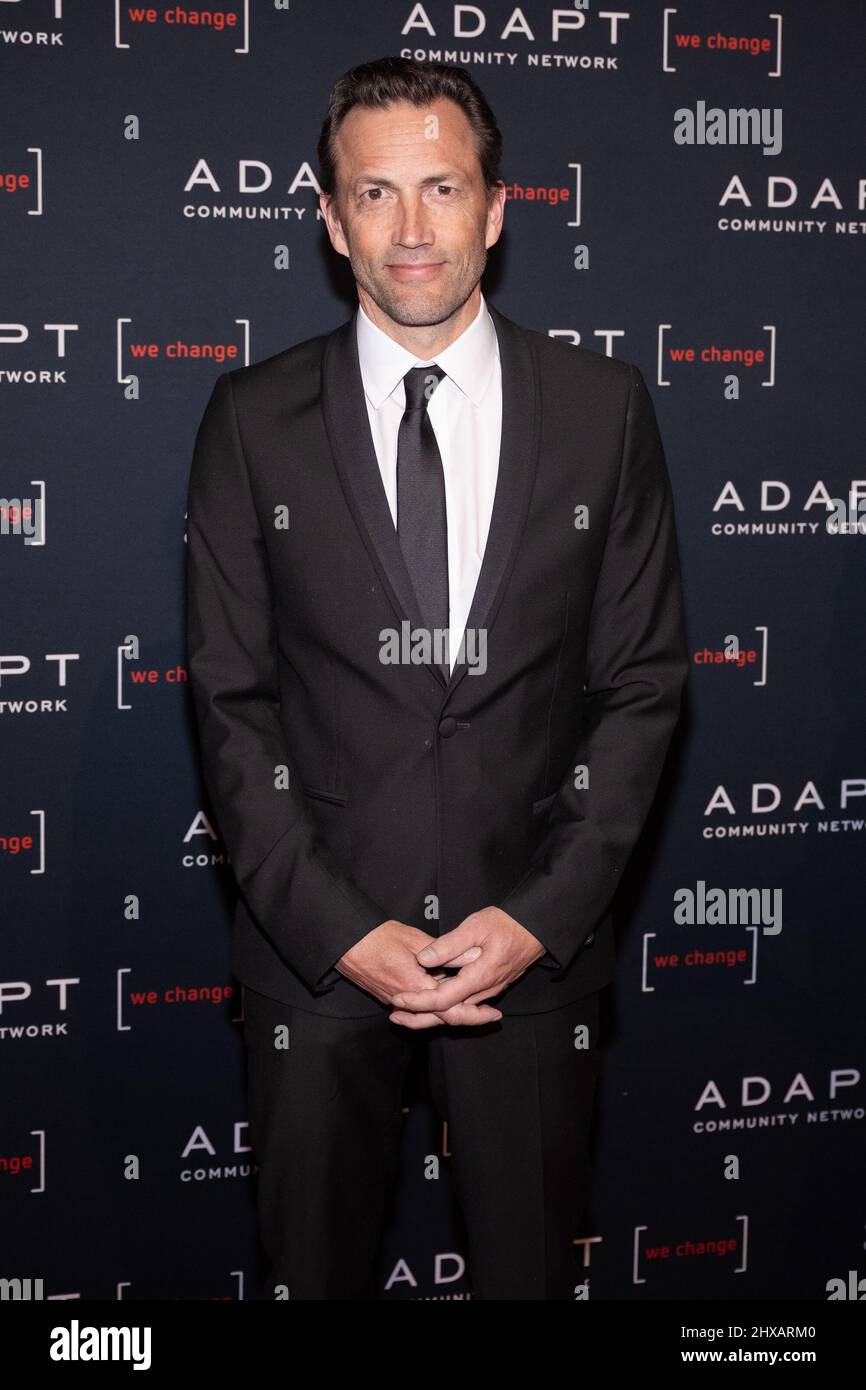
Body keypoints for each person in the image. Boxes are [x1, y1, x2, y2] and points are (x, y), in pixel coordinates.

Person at [185, 54, 688, 1300]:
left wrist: (534, 918)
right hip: (316, 960)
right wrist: (342, 931)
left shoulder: (603, 408)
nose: (411, 229)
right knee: (312, 1274)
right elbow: (232, 704)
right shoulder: (249, 421)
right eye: (373, 192)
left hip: (533, 954)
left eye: (442, 188)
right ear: (327, 216)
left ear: (497, 208)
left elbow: (639, 685)